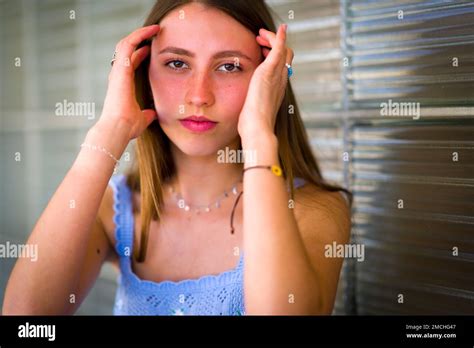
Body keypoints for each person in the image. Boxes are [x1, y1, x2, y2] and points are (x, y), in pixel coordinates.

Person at [3, 0, 351, 315]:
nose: (199, 96)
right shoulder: (114, 209)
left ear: (267, 79)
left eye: (229, 67)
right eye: (176, 63)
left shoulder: (315, 211)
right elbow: (25, 318)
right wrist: (108, 131)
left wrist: (260, 133)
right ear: (141, 71)